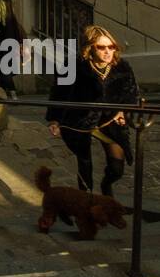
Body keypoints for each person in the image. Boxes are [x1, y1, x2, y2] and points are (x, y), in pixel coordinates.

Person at [47, 25, 140, 195]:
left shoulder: (122, 67)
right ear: (90, 48)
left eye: (111, 47)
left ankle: (106, 184)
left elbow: (132, 94)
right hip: (80, 120)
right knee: (84, 163)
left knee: (116, 167)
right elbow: (58, 93)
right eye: (101, 47)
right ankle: (87, 202)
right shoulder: (74, 65)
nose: (107, 52)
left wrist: (122, 112)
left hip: (110, 121)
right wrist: (54, 119)